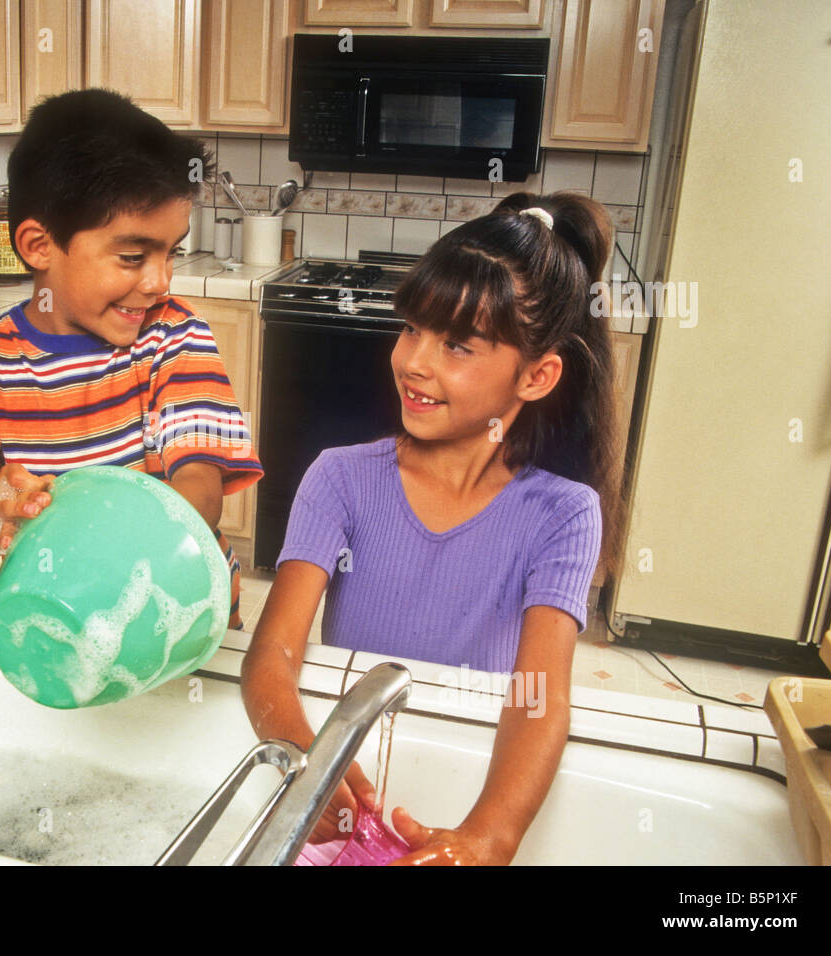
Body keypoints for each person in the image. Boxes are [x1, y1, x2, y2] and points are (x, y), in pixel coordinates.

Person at [240, 192, 627, 864]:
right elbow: (270, 659)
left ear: (537, 375)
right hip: (351, 796)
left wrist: (488, 836)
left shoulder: (564, 515)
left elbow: (540, 700)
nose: (415, 361)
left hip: (461, 792)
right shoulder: (339, 479)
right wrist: (307, 756)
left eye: (456, 345)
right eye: (412, 328)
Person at [0, 89, 262, 627]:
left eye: (171, 251)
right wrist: (1, 516)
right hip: (67, 629)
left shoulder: (174, 336)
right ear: (39, 246)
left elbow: (199, 492)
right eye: (133, 256)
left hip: (183, 618)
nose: (160, 280)